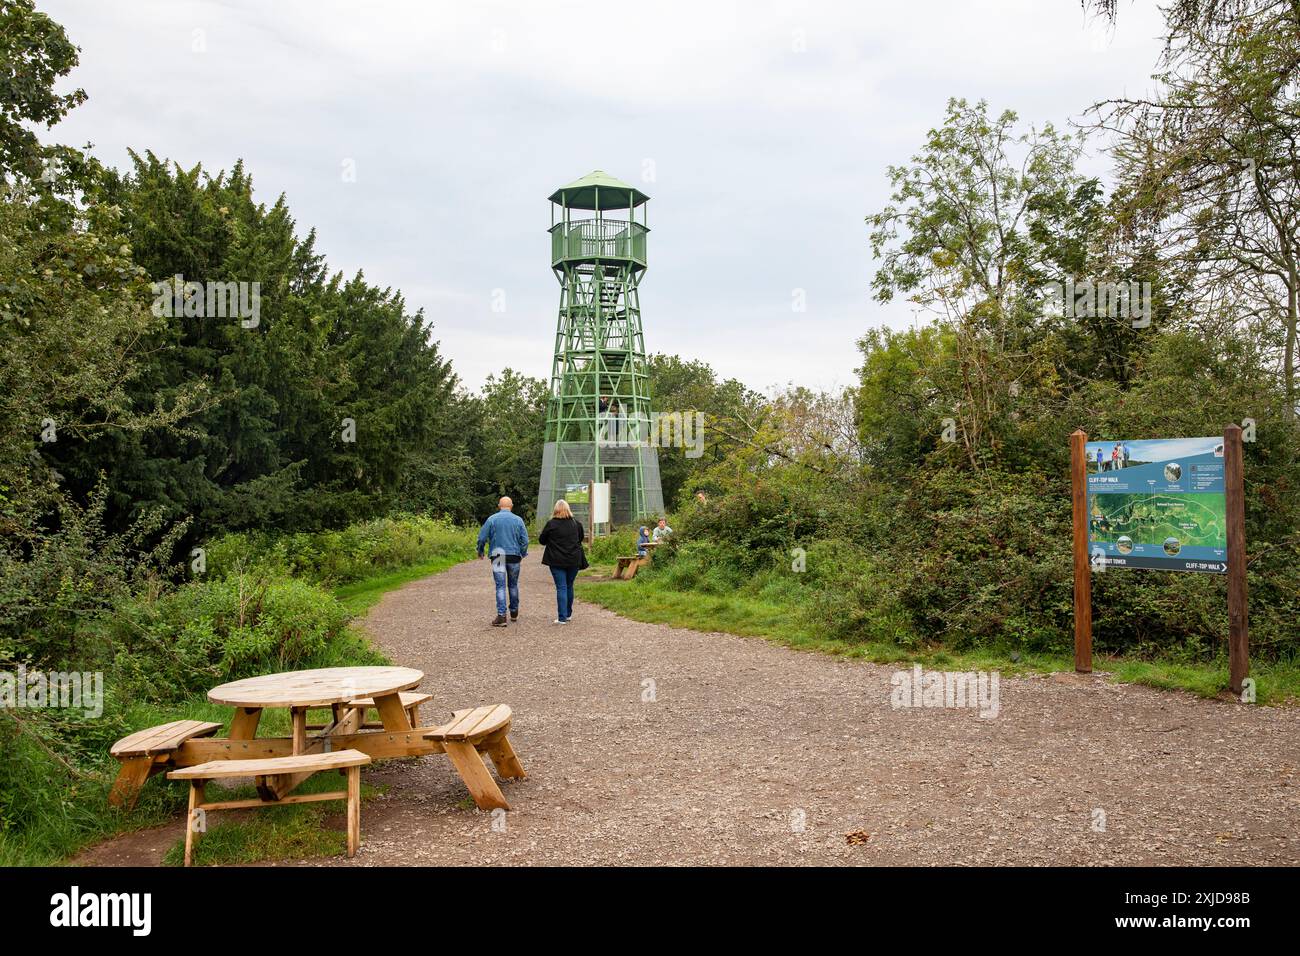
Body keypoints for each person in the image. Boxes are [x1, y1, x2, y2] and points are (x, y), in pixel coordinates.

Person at [476, 496, 529, 627]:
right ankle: (514, 611)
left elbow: (482, 537)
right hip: (514, 555)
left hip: (498, 554)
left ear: (499, 506)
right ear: (511, 506)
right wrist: (521, 552)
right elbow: (525, 540)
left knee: (500, 586)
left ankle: (501, 616)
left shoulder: (492, 519)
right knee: (513, 584)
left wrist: (480, 550)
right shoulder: (518, 520)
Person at [539, 499, 586, 625]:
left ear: (555, 510)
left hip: (556, 560)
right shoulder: (577, 524)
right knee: (569, 585)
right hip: (574, 560)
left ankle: (562, 617)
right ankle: (568, 614)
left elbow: (542, 540)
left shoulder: (551, 524)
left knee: (561, 587)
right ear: (568, 509)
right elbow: (580, 538)